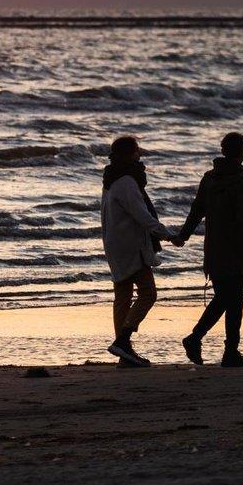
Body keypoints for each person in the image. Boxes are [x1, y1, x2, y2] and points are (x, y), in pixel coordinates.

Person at [170, 132, 243, 367]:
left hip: (214, 249)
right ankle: (212, 344)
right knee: (233, 301)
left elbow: (196, 211)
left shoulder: (210, 179)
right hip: (237, 249)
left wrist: (183, 236)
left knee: (225, 298)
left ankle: (217, 346)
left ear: (222, 152)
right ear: (241, 154)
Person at [100, 135, 174, 367]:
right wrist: (166, 234)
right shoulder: (126, 181)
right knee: (148, 293)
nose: (139, 154)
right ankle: (123, 341)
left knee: (123, 297)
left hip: (115, 243)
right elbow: (142, 215)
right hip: (130, 246)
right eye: (136, 151)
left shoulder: (111, 179)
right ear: (130, 154)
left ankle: (124, 353)